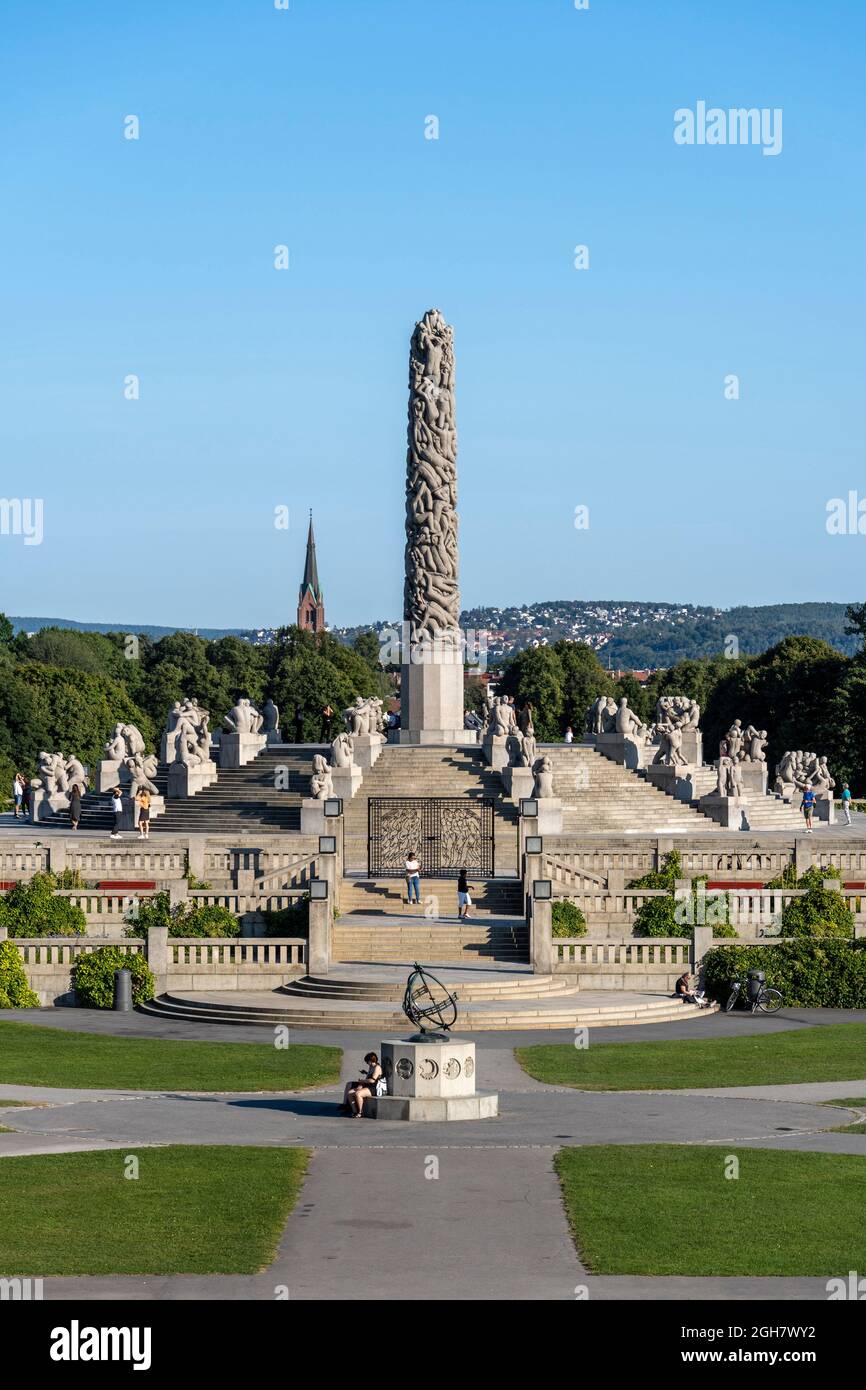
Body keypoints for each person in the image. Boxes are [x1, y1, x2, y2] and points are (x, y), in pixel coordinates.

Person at [343, 1052, 385, 1117]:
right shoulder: (371, 1067)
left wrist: (362, 1081)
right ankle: (354, 1111)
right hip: (368, 1086)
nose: (367, 1063)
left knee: (358, 1094)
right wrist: (362, 1082)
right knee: (350, 1093)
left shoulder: (377, 1067)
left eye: (367, 1061)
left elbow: (372, 1080)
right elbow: (368, 1077)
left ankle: (360, 1112)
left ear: (371, 1061)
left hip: (375, 1088)